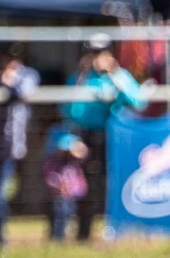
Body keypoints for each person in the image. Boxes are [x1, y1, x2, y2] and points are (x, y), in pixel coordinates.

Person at [61, 34, 148, 241]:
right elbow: (69, 110)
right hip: (85, 137)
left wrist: (114, 75)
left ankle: (114, 230)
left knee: (113, 184)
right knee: (84, 187)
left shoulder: (120, 75)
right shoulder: (81, 78)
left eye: (101, 53)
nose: (97, 58)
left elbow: (138, 102)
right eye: (93, 53)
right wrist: (82, 77)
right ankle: (83, 232)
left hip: (113, 137)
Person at [0, 46, 40, 247]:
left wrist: (9, 82)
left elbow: (24, 91)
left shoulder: (28, 75)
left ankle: (0, 236)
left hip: (13, 146)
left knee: (1, 194)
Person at [43, 129, 89, 241]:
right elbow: (50, 177)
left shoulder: (73, 163)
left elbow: (83, 154)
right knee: (59, 216)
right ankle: (57, 237)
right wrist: (58, 186)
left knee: (71, 215)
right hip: (59, 195)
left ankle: (68, 235)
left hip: (72, 196)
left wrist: (76, 149)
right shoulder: (53, 162)